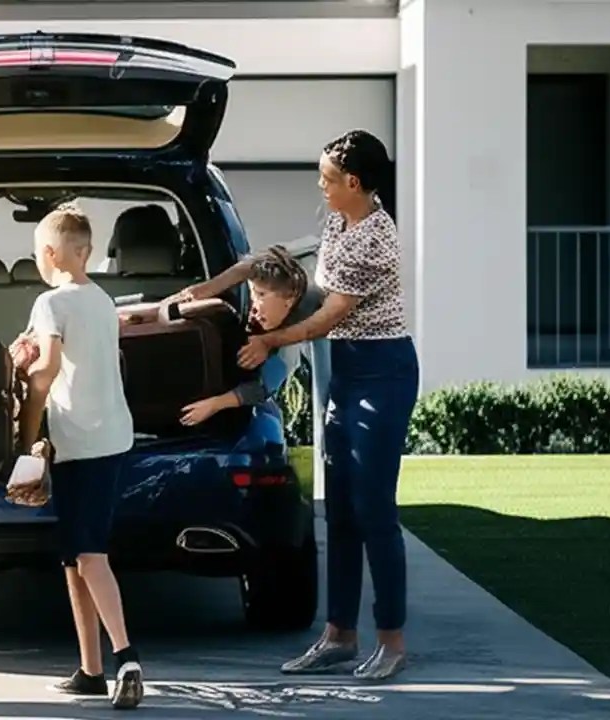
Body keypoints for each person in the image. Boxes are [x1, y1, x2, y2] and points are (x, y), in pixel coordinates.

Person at [188, 130, 417, 681]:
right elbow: (284, 265)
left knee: (375, 513)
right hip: (348, 370)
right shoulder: (340, 220)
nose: (321, 186)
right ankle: (338, 635)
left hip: (384, 374)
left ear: (354, 183)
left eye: (328, 178)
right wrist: (216, 284)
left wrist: (269, 340)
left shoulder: (375, 240)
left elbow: (323, 318)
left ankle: (391, 641)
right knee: (337, 511)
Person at [16, 205, 144, 710]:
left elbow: (44, 370)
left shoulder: (51, 303)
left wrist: (28, 431)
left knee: (90, 556)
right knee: (74, 558)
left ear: (49, 254)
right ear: (86, 251)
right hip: (112, 438)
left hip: (80, 446)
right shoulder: (101, 301)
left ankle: (126, 657)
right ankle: (89, 669)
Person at [173, 246, 324, 430]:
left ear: (289, 299)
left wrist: (213, 405)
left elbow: (262, 388)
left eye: (260, 295)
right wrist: (207, 288)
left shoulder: (305, 319)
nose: (254, 306)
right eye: (253, 293)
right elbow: (248, 268)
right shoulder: (265, 274)